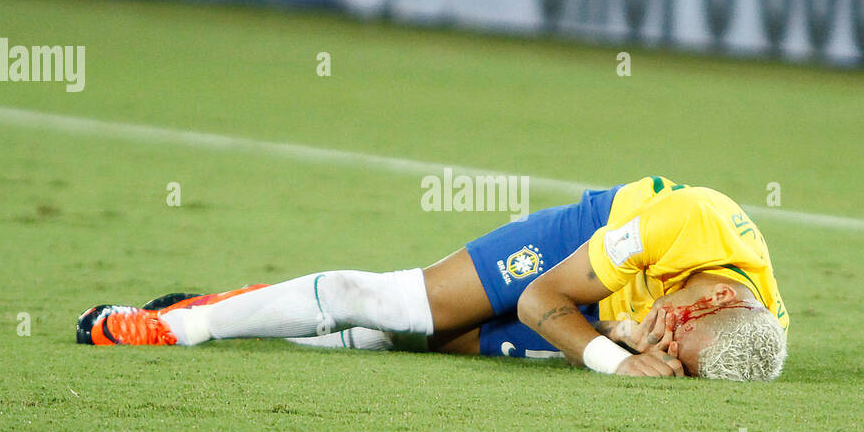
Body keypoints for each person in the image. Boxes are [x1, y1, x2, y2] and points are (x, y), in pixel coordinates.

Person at [76, 177, 789, 380]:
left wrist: (632, 337)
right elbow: (547, 298)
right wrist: (612, 357)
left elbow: (647, 335)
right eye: (677, 342)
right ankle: (181, 324)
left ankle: (247, 321)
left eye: (680, 369)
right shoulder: (687, 222)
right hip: (582, 250)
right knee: (398, 304)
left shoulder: (753, 334)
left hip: (609, 305)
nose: (668, 352)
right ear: (716, 297)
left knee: (428, 341)